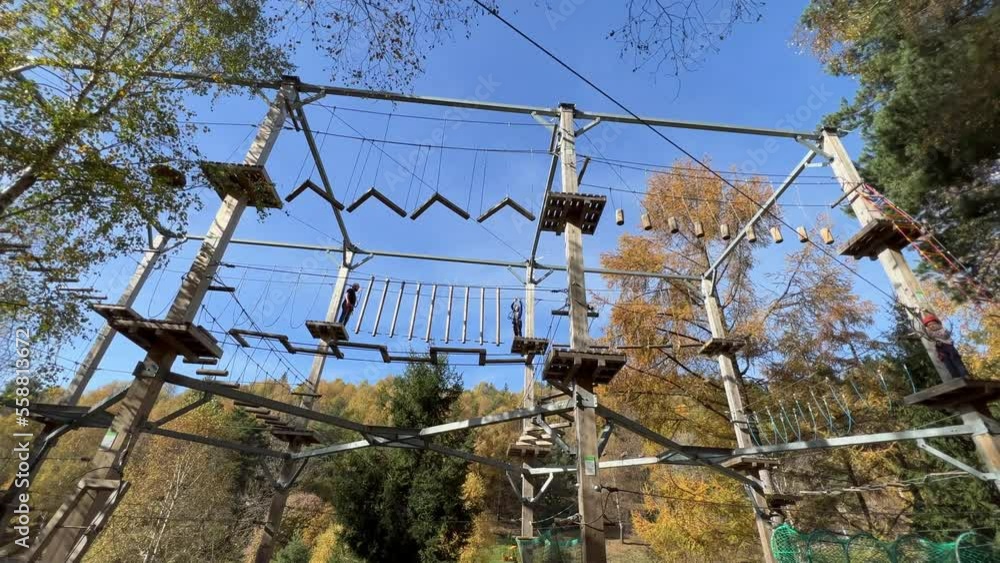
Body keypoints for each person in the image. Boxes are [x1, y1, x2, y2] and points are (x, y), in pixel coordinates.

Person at [921, 312, 968, 379]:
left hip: (948, 346)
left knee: (956, 360)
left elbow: (945, 336)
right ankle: (956, 377)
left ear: (937, 324)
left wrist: (938, 338)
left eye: (933, 324)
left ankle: (964, 374)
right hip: (941, 350)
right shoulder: (930, 334)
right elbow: (925, 332)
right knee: (948, 363)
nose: (932, 326)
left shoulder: (943, 330)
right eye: (929, 325)